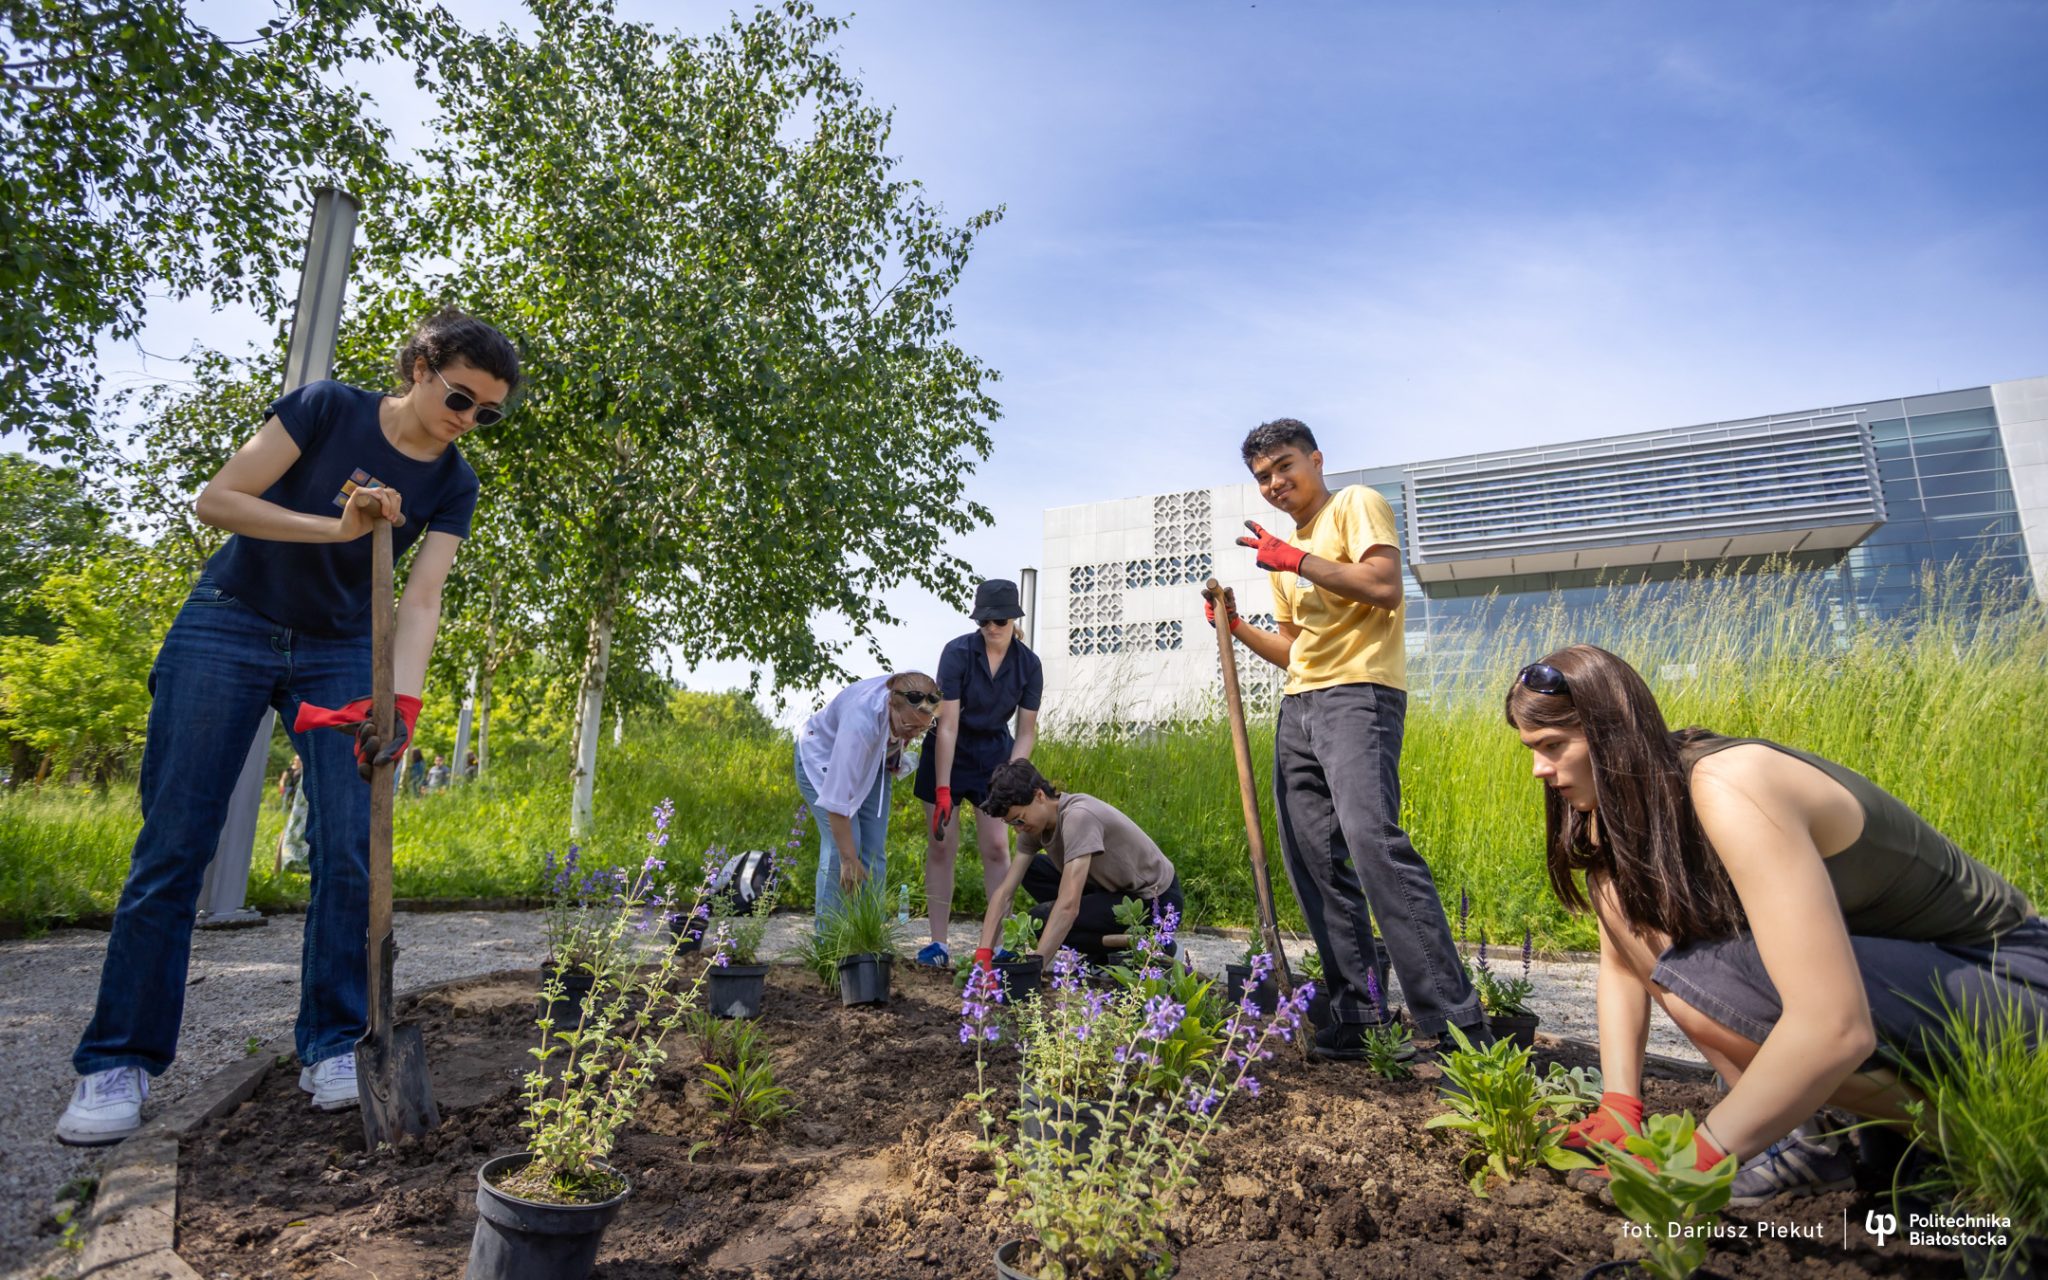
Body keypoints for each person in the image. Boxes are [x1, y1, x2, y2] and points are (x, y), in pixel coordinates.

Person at [56, 308, 517, 1146]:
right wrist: (337, 527)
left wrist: (400, 704)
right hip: (230, 621)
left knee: (348, 848)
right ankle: (117, 1060)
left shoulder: (455, 483)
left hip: (343, 648)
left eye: (488, 413)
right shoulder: (326, 408)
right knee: (176, 843)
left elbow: (422, 598)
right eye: (460, 397)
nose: (468, 420)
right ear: (419, 367)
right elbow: (219, 500)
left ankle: (334, 1044)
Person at [1507, 644, 2048, 1204]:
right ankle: (1830, 1135)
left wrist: (1690, 1167)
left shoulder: (1729, 787)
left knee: (1711, 980)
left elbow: (1834, 1026)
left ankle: (1964, 1143)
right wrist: (1621, 1104)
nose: (1539, 770)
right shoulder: (1639, 810)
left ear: (1614, 733)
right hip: (1916, 989)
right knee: (1628, 909)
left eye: (1553, 747)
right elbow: (1623, 962)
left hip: (2011, 982)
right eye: (1532, 749)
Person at [1212, 417, 1487, 1061]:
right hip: (1300, 706)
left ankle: (1455, 1023)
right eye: (1263, 478)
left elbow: (1384, 588)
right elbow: (1296, 651)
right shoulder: (1282, 555)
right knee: (1313, 859)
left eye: (1285, 466)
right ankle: (1358, 1013)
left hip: (1361, 696)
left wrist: (1298, 558)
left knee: (1372, 843)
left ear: (1315, 459)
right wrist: (1234, 626)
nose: (1276, 483)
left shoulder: (1354, 507)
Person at [912, 579, 1043, 968]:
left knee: (997, 848)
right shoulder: (956, 653)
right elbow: (947, 725)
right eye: (983, 620)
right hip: (948, 749)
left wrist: (1013, 774)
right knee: (941, 845)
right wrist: (941, 792)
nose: (991, 628)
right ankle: (938, 944)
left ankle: (998, 944)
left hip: (995, 755)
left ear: (1013, 620)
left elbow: (1025, 731)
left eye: (999, 620)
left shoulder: (1029, 665)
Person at [971, 760, 1181, 966]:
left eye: (1019, 819)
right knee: (1032, 869)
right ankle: (1104, 954)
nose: (1017, 829)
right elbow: (1005, 892)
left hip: (1154, 903)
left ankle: (1155, 945)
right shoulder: (1034, 825)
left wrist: (1036, 967)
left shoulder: (1078, 818)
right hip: (1111, 891)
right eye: (1011, 824)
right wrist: (984, 954)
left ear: (1039, 796)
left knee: (1040, 921)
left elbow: (1069, 905)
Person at [795, 672, 940, 924]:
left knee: (873, 851)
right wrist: (848, 859)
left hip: (876, 757)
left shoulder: (919, 695)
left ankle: (868, 937)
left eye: (922, 728)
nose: (914, 735)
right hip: (824, 756)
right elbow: (837, 802)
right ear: (891, 706)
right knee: (843, 847)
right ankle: (830, 943)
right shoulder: (859, 723)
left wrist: (902, 738)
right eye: (909, 727)